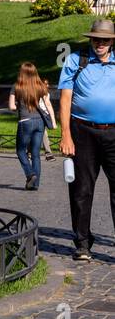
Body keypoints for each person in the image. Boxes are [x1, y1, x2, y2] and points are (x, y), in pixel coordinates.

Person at [58, 18, 115, 262]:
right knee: (81, 190)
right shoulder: (75, 60)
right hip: (83, 132)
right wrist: (65, 135)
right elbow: (65, 99)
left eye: (104, 40)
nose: (99, 43)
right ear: (90, 39)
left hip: (113, 133)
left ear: (112, 41)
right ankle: (82, 243)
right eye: (96, 39)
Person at [8, 62, 49, 190]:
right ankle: (35, 185)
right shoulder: (40, 86)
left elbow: (11, 106)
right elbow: (46, 103)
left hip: (25, 121)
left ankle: (30, 174)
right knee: (36, 153)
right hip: (40, 121)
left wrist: (18, 106)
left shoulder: (17, 86)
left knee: (21, 150)